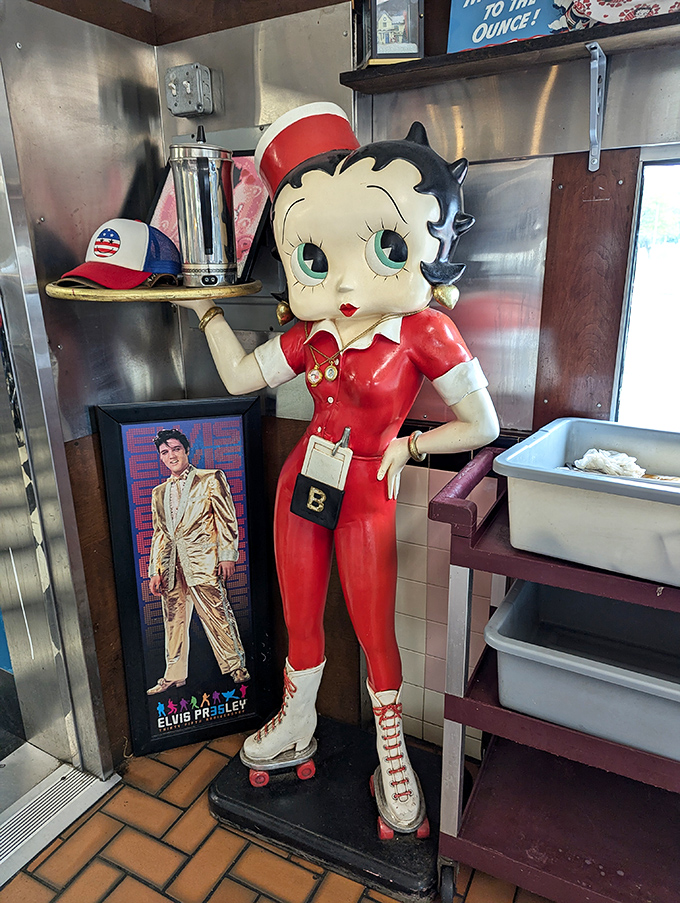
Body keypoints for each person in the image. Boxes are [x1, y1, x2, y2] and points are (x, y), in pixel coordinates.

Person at [173, 103, 499, 833]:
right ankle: (297, 721)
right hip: (304, 485)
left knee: (374, 625)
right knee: (301, 614)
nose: (344, 279)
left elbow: (483, 425)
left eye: (383, 243)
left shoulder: (425, 328)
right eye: (314, 257)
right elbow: (240, 377)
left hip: (367, 495)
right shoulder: (311, 333)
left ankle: (392, 748)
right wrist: (206, 315)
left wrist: (409, 447)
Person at [146, 428, 249, 694]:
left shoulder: (210, 478)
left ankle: (235, 664)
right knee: (173, 620)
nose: (171, 456)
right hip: (171, 564)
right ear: (160, 457)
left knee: (217, 612)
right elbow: (160, 532)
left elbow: (226, 518)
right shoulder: (158, 492)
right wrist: (155, 569)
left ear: (186, 450)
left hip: (203, 560)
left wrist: (227, 555)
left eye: (175, 449)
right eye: (164, 452)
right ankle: (174, 674)